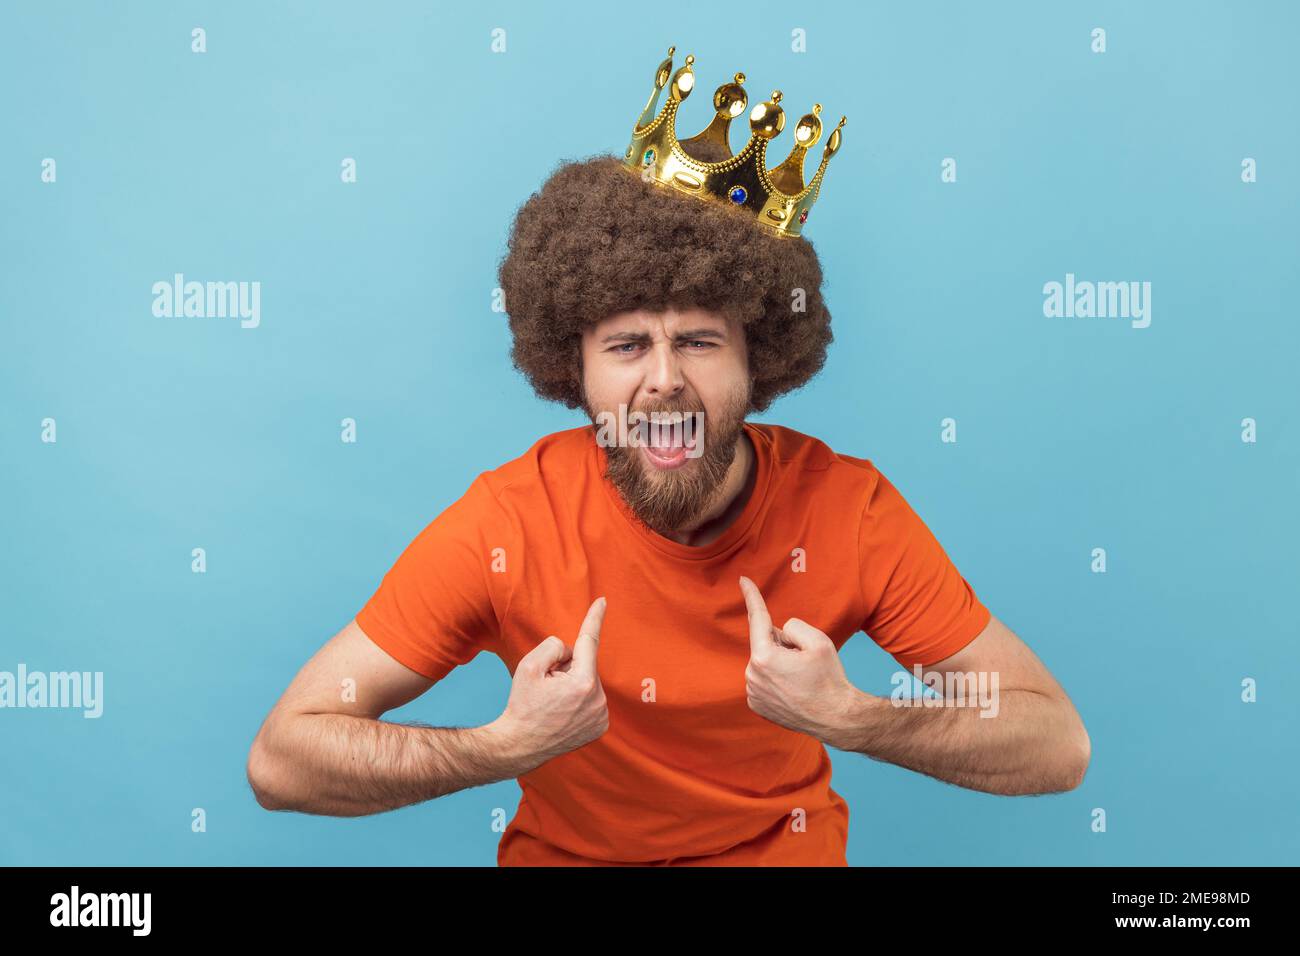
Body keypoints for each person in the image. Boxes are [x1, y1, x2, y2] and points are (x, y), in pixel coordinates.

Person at [246, 47, 1090, 866]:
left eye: (698, 340)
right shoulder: (508, 524)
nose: (662, 382)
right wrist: (503, 746)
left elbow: (1054, 741)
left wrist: (853, 717)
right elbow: (283, 759)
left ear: (758, 358)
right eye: (624, 346)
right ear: (570, 366)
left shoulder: (848, 510)